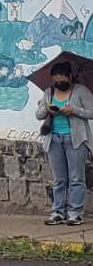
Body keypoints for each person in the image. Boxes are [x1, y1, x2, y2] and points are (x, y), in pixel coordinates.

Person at [36, 62, 93, 226]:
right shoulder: (49, 92)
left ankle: (75, 213)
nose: (58, 83)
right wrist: (47, 108)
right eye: (55, 80)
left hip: (75, 139)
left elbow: (91, 112)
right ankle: (58, 211)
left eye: (61, 79)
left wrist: (74, 110)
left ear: (69, 77)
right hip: (54, 139)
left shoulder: (81, 91)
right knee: (59, 179)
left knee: (76, 177)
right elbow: (39, 115)